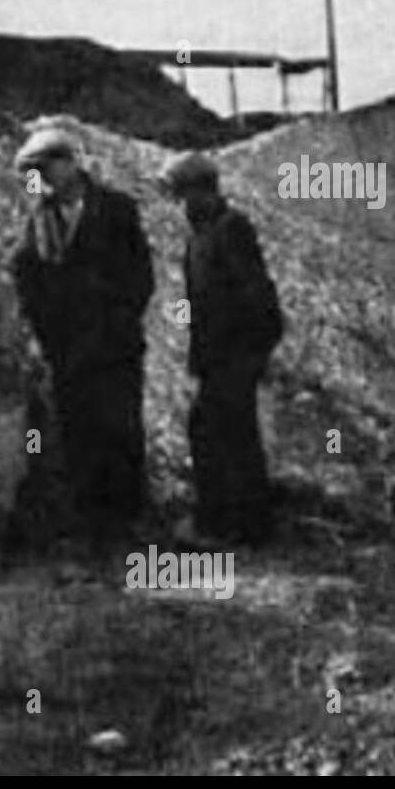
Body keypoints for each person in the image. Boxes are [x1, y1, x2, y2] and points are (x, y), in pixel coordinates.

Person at [10, 126, 154, 548]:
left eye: (46, 167)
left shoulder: (116, 209)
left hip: (114, 347)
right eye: (35, 172)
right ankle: (91, 526)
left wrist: (118, 320)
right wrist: (46, 332)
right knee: (79, 435)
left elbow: (140, 275)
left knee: (121, 431)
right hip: (68, 350)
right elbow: (25, 273)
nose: (43, 178)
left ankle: (127, 524)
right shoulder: (40, 219)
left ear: (69, 164)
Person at [158, 151, 284, 544]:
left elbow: (256, 294)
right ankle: (232, 521)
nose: (180, 205)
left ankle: (238, 525)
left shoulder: (230, 229)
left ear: (202, 191)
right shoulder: (201, 236)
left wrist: (252, 352)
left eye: (183, 195)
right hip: (217, 357)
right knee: (215, 433)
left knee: (230, 437)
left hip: (234, 355)